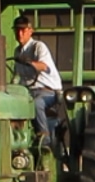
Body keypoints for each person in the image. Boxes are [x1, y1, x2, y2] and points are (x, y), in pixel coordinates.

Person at [12, 16, 62, 144]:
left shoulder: (38, 46)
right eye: (17, 30)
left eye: (23, 30)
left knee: (36, 104)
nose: (19, 34)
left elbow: (43, 66)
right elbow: (17, 76)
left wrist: (28, 62)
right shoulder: (17, 51)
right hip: (27, 92)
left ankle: (44, 139)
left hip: (47, 91)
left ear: (30, 31)